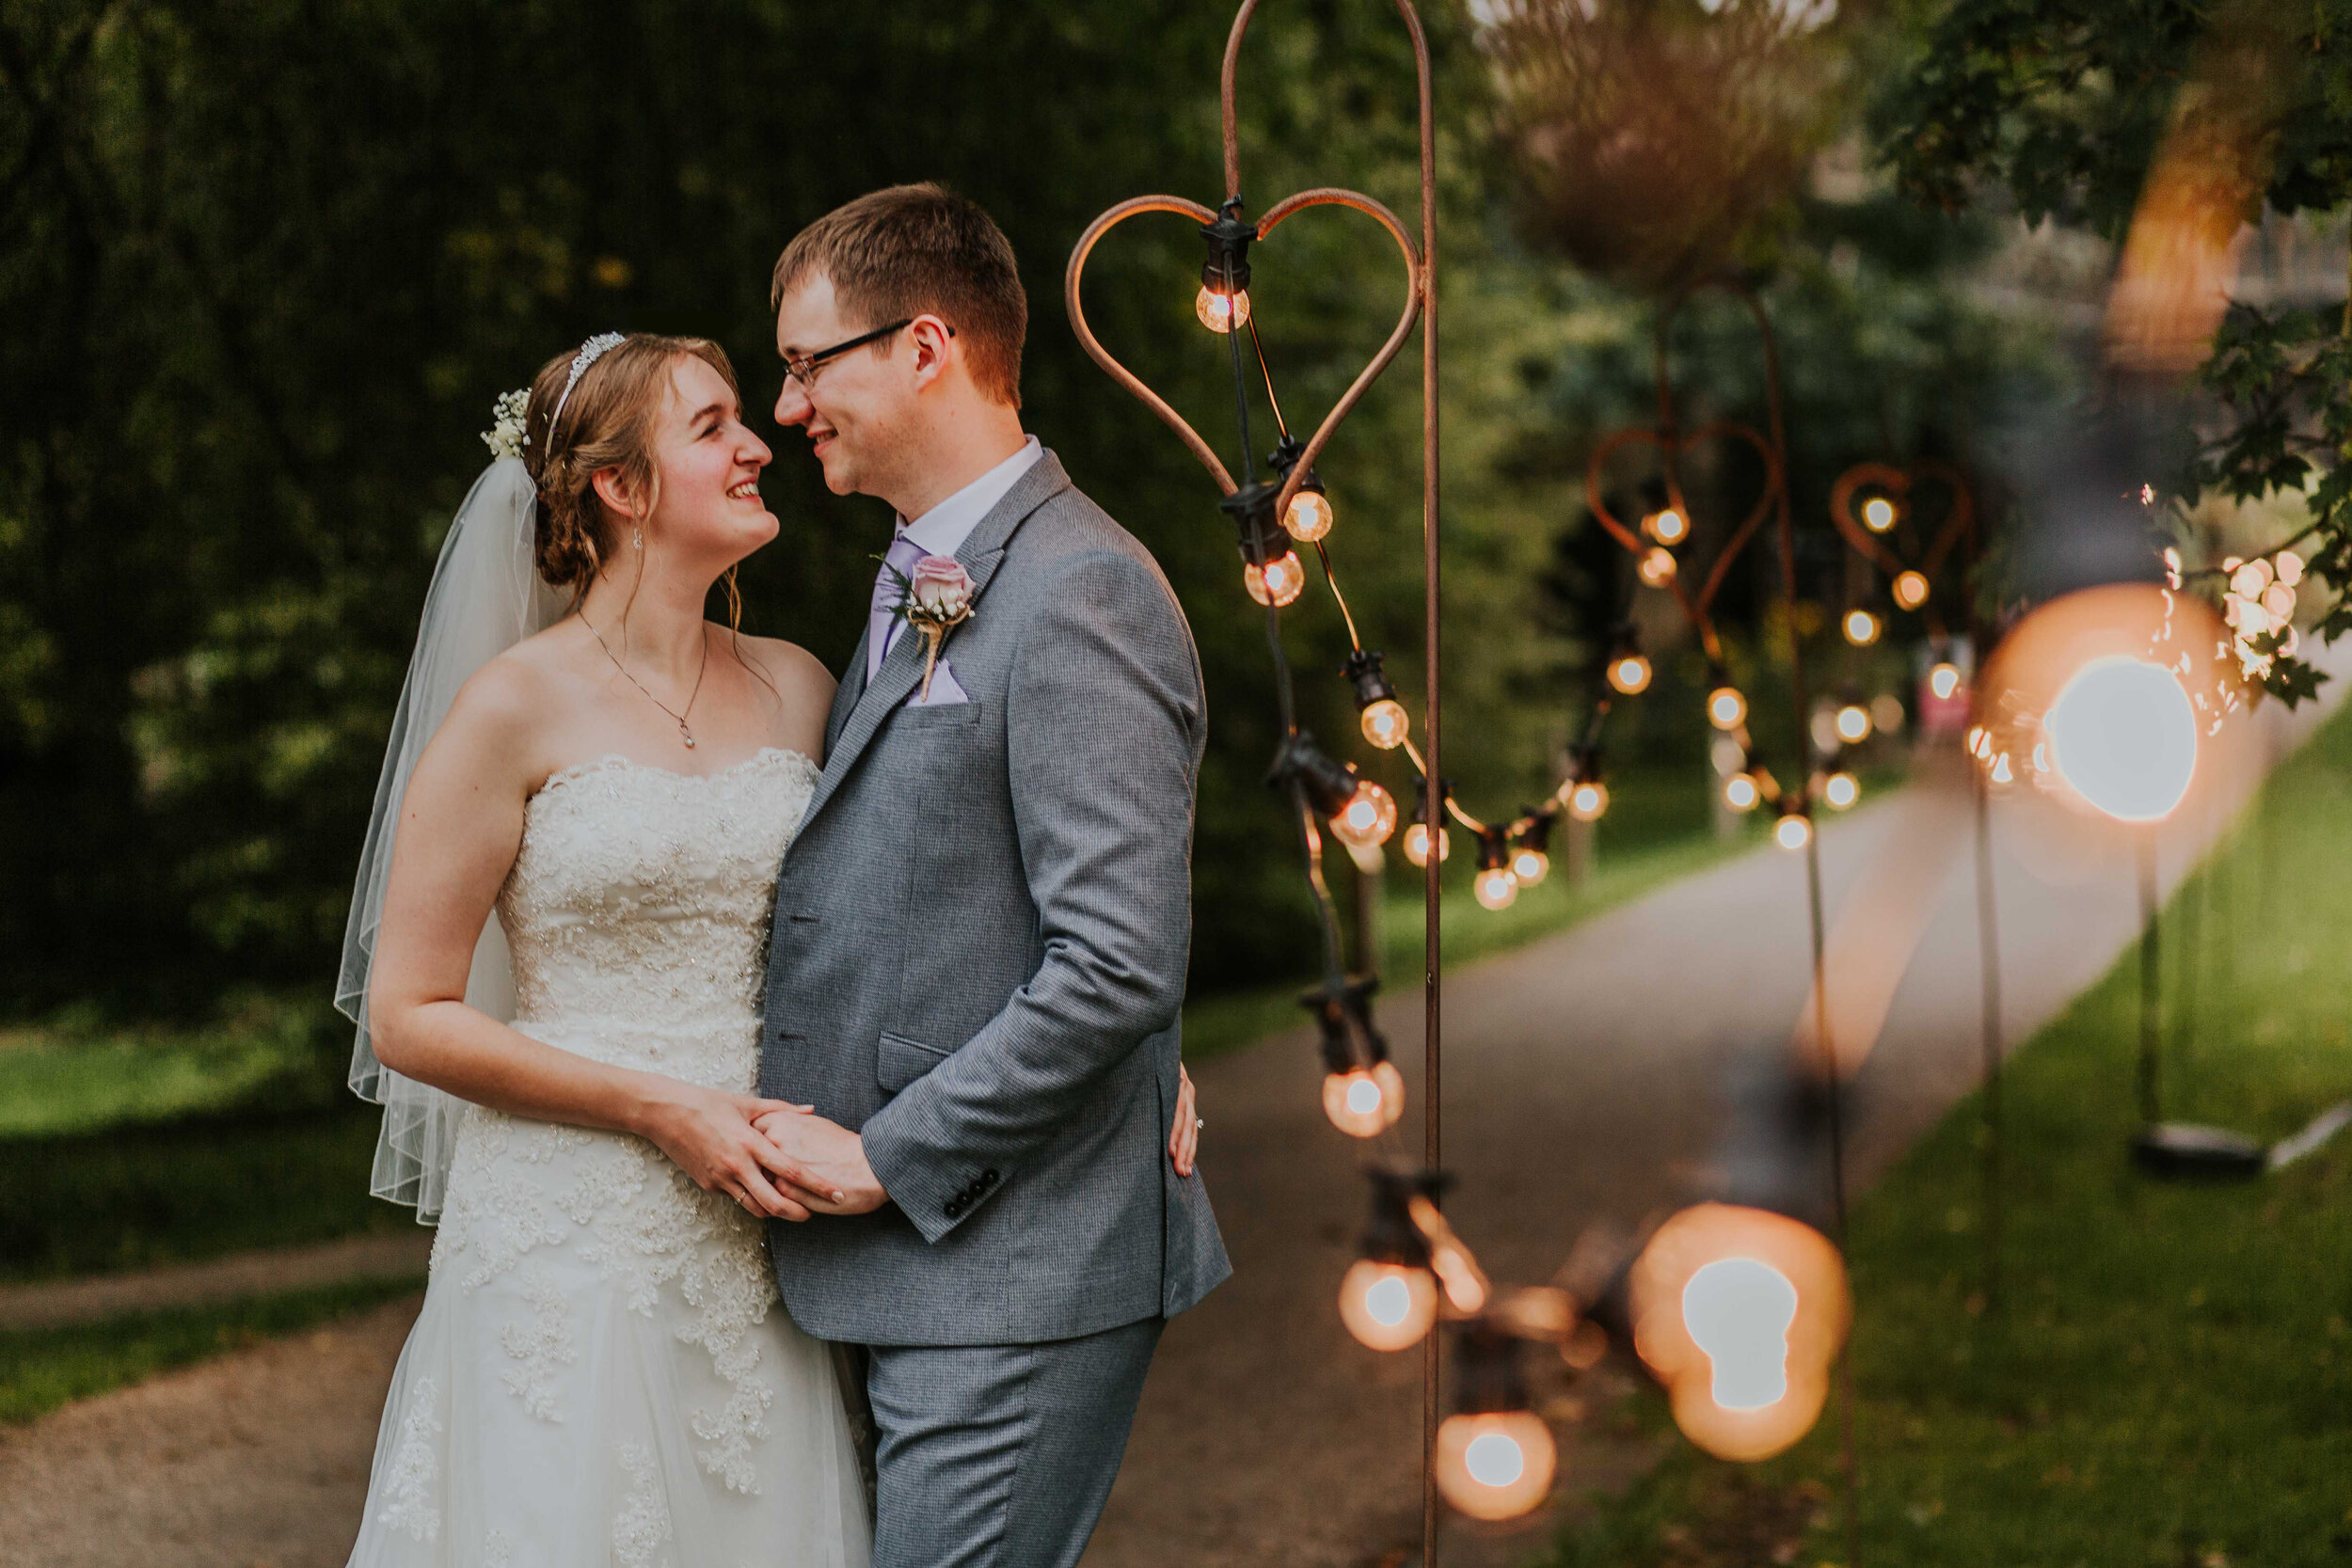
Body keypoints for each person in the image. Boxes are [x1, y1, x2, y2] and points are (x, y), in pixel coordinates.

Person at [333, 320, 1206, 1564]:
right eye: (714, 428)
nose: (759, 444)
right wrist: (660, 1109)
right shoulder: (509, 707)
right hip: (572, 1226)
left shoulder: (801, 685)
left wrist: (1136, 1058)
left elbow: (953, 898)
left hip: (772, 1221)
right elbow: (409, 1015)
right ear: (621, 488)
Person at [754, 183, 1229, 1568]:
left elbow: (1118, 962)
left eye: (806, 364)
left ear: (924, 347)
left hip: (1012, 1273)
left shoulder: (1081, 588)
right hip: (907, 1278)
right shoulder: (924, 571)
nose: (788, 408)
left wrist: (886, 1158)